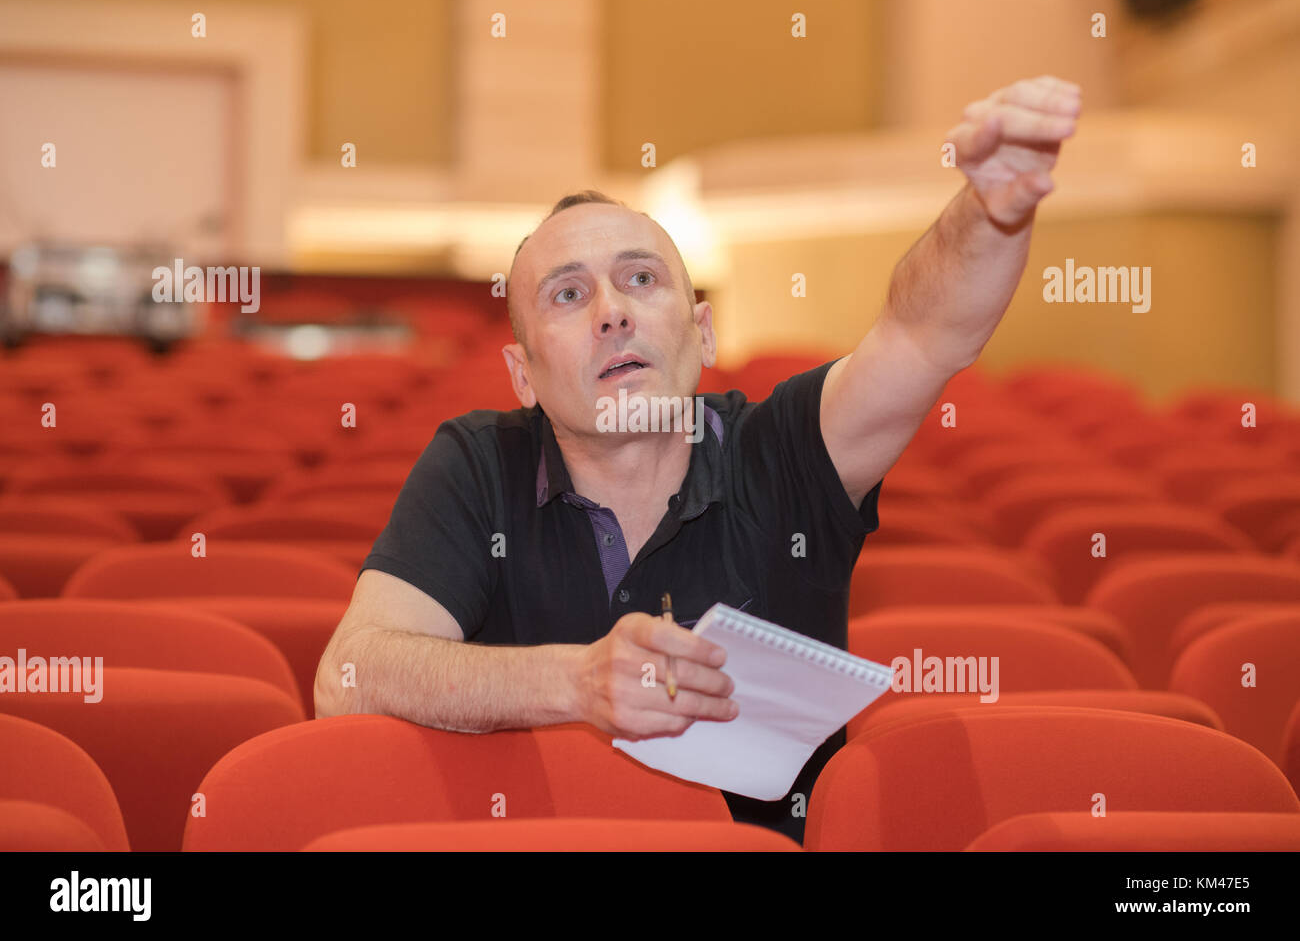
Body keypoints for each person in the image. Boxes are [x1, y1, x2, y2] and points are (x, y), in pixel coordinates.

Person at [315, 75, 1081, 843]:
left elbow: (923, 331)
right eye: (569, 296)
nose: (613, 310)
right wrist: (574, 682)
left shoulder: (783, 450)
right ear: (523, 376)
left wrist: (987, 210)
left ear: (704, 332)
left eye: (640, 279)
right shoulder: (476, 466)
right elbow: (349, 675)